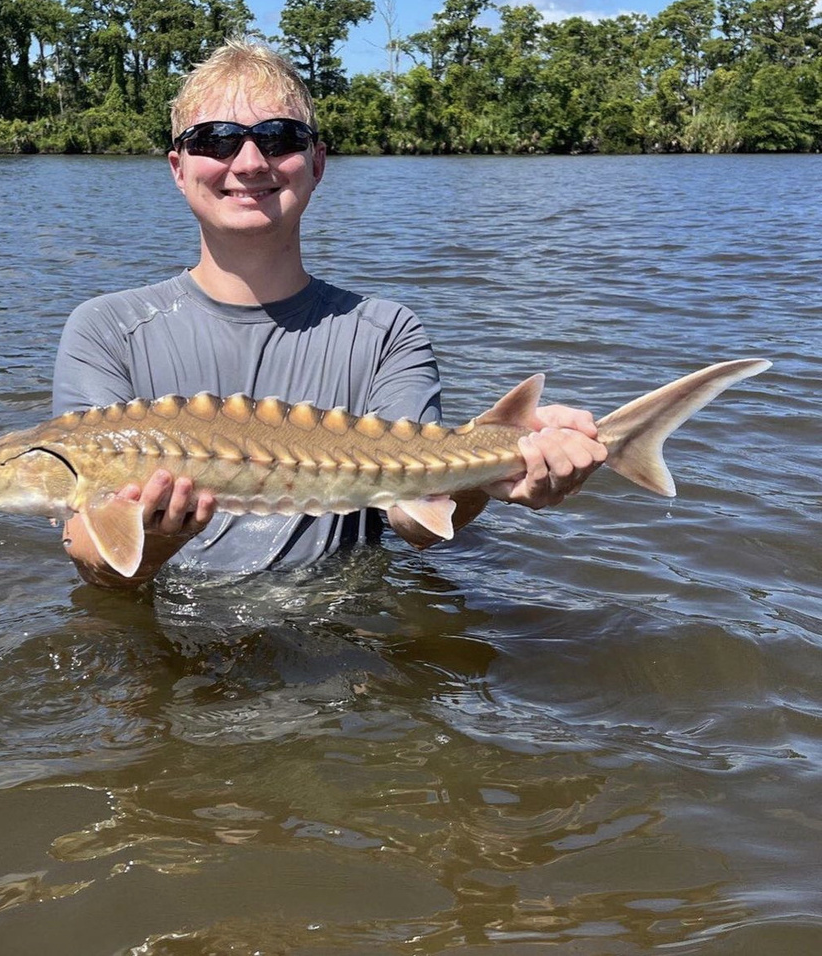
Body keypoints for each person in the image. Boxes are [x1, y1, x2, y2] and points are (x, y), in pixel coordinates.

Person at [53, 40, 607, 589]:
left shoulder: (386, 331)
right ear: (179, 168)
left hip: (335, 615)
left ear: (316, 163)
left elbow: (416, 521)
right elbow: (89, 553)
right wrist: (161, 538)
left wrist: (494, 470)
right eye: (215, 140)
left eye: (278, 138)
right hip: (174, 610)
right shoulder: (106, 329)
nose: (249, 162)